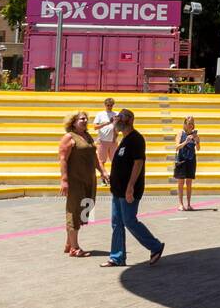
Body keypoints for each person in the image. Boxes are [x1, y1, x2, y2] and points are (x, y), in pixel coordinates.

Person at [100, 108, 164, 268]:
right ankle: (117, 257)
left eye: (120, 116)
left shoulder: (136, 139)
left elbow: (138, 163)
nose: (116, 118)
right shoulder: (124, 139)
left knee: (129, 221)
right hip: (117, 190)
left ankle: (155, 246)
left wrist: (130, 187)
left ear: (129, 120)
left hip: (128, 190)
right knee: (117, 223)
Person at [58, 109, 107, 257]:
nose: (85, 121)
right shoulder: (69, 137)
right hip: (75, 180)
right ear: (73, 122)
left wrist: (102, 171)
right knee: (74, 211)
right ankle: (75, 248)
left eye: (86, 119)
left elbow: (95, 157)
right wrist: (64, 180)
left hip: (89, 179)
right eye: (81, 119)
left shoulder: (87, 136)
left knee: (85, 209)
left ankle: (69, 243)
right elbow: (63, 159)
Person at [174, 115, 199, 211]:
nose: (190, 125)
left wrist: (196, 141)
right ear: (185, 124)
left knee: (189, 183)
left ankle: (188, 204)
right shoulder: (180, 133)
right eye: (189, 123)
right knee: (181, 183)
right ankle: (180, 204)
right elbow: (177, 147)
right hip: (181, 160)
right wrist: (186, 141)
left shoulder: (195, 135)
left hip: (191, 160)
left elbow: (198, 148)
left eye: (192, 123)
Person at [93, 98, 118, 172]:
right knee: (101, 161)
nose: (109, 107)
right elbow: (95, 127)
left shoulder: (116, 114)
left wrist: (115, 135)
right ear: (105, 105)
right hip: (102, 141)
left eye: (111, 105)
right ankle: (103, 178)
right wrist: (106, 123)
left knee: (115, 161)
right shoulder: (100, 114)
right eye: (108, 105)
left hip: (113, 141)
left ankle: (114, 177)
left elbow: (119, 127)